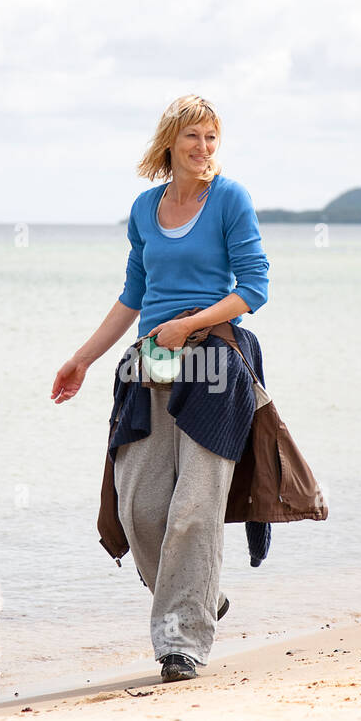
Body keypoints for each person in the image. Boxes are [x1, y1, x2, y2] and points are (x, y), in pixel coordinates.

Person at [51, 94, 270, 682]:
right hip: (149, 366)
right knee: (140, 507)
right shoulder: (145, 209)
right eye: (193, 137)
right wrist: (83, 359)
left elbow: (254, 289)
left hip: (216, 364)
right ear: (170, 142)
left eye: (212, 138)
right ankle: (200, 595)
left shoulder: (229, 199)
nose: (204, 149)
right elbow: (132, 295)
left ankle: (182, 645)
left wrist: (189, 324)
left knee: (196, 509)